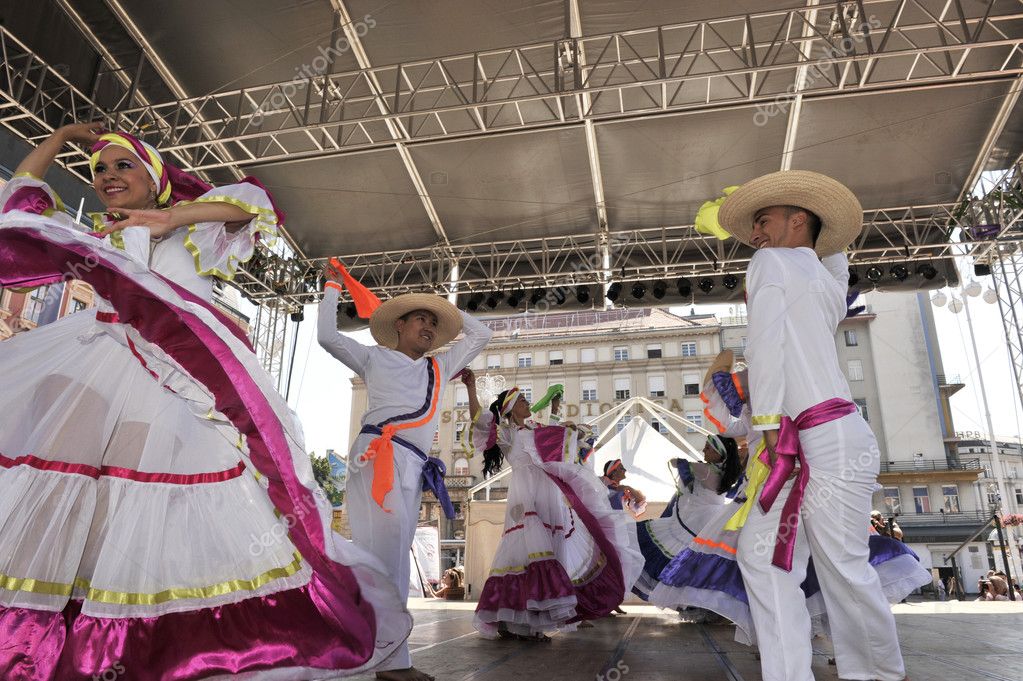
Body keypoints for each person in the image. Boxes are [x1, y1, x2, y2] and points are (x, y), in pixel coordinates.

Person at [0, 124, 413, 679]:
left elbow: (255, 202)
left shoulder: (193, 236)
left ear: (154, 176)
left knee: (127, 509)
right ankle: (36, 637)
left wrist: (171, 218)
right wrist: (64, 136)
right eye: (99, 170)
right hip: (95, 365)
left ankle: (124, 645)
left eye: (124, 166)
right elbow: (20, 204)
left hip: (168, 384)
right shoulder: (96, 243)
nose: (108, 178)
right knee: (63, 494)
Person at [718, 169, 909, 681]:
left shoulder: (771, 261)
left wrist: (764, 429)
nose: (754, 234)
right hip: (813, 437)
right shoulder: (829, 277)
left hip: (808, 436)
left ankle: (877, 674)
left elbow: (764, 346)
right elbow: (831, 260)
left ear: (798, 219)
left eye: (762, 220)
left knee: (838, 565)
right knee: (766, 558)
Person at [318, 259, 491, 681]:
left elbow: (483, 333)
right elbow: (326, 335)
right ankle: (391, 663)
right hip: (380, 456)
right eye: (421, 318)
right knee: (389, 559)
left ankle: (358, 642)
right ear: (398, 325)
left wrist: (442, 304)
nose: (429, 327)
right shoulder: (374, 358)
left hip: (412, 465)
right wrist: (330, 287)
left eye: (435, 322)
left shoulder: (439, 366)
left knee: (382, 558)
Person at [464, 382, 643, 640]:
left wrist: (560, 416)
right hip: (525, 494)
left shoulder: (535, 429)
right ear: (511, 409)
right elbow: (479, 420)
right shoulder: (507, 433)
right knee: (521, 551)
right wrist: (471, 388)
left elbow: (555, 439)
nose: (528, 403)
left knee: (549, 547)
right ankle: (512, 619)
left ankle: (531, 621)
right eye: (522, 400)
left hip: (549, 493)